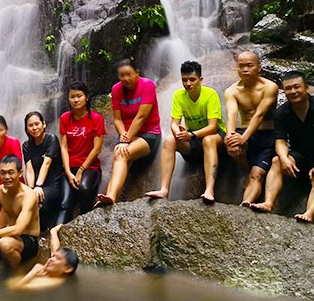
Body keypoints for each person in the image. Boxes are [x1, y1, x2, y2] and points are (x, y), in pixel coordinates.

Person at [250, 71, 314, 222]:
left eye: (296, 87)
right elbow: (280, 140)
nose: (293, 91)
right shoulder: (282, 113)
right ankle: (268, 202)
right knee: (276, 161)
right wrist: (284, 158)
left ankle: (309, 213)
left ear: (306, 87)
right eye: (288, 89)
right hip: (301, 155)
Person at [146, 60, 226, 204]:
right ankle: (164, 190)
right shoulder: (178, 95)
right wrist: (178, 133)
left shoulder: (210, 94)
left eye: (192, 80)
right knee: (170, 140)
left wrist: (191, 135)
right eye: (184, 80)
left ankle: (209, 190)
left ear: (200, 80)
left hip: (216, 139)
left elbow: (213, 127)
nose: (188, 83)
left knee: (208, 140)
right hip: (194, 140)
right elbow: (174, 123)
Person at [96, 58, 162, 207]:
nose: (125, 79)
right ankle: (109, 198)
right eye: (122, 75)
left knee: (121, 153)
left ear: (137, 73)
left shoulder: (147, 85)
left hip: (149, 134)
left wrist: (125, 140)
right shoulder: (117, 89)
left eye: (129, 74)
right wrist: (123, 136)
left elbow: (141, 117)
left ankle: (111, 196)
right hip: (127, 135)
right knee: (120, 155)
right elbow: (117, 119)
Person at [223, 51, 279, 207]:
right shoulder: (232, 91)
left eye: (249, 65)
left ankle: (246, 203)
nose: (245, 69)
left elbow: (260, 114)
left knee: (257, 174)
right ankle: (246, 168)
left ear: (259, 68)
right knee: (233, 145)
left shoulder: (270, 87)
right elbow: (232, 115)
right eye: (241, 66)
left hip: (267, 135)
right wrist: (230, 137)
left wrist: (243, 138)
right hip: (245, 132)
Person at [59, 82, 105, 221]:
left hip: (89, 167)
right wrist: (67, 172)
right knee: (64, 203)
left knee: (84, 190)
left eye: (79, 96)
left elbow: (97, 148)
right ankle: (56, 235)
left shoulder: (96, 119)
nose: (76, 100)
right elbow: (64, 147)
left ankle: (85, 226)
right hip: (68, 168)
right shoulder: (65, 118)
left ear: (87, 97)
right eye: (72, 96)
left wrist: (81, 170)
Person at [22, 111, 64, 231]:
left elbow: (46, 163)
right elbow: (29, 169)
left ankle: (41, 231)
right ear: (26, 128)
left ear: (43, 124)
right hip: (36, 185)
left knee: (40, 201)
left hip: (53, 184)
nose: (34, 128)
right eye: (30, 125)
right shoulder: (26, 145)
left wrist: (39, 185)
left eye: (37, 124)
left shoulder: (51, 139)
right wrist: (31, 189)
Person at [8, 224, 78, 290]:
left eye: (58, 258)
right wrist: (53, 232)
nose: (51, 259)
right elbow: (55, 249)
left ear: (68, 269)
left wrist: (33, 273)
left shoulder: (52, 282)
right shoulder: (54, 271)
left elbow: (14, 289)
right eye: (53, 256)